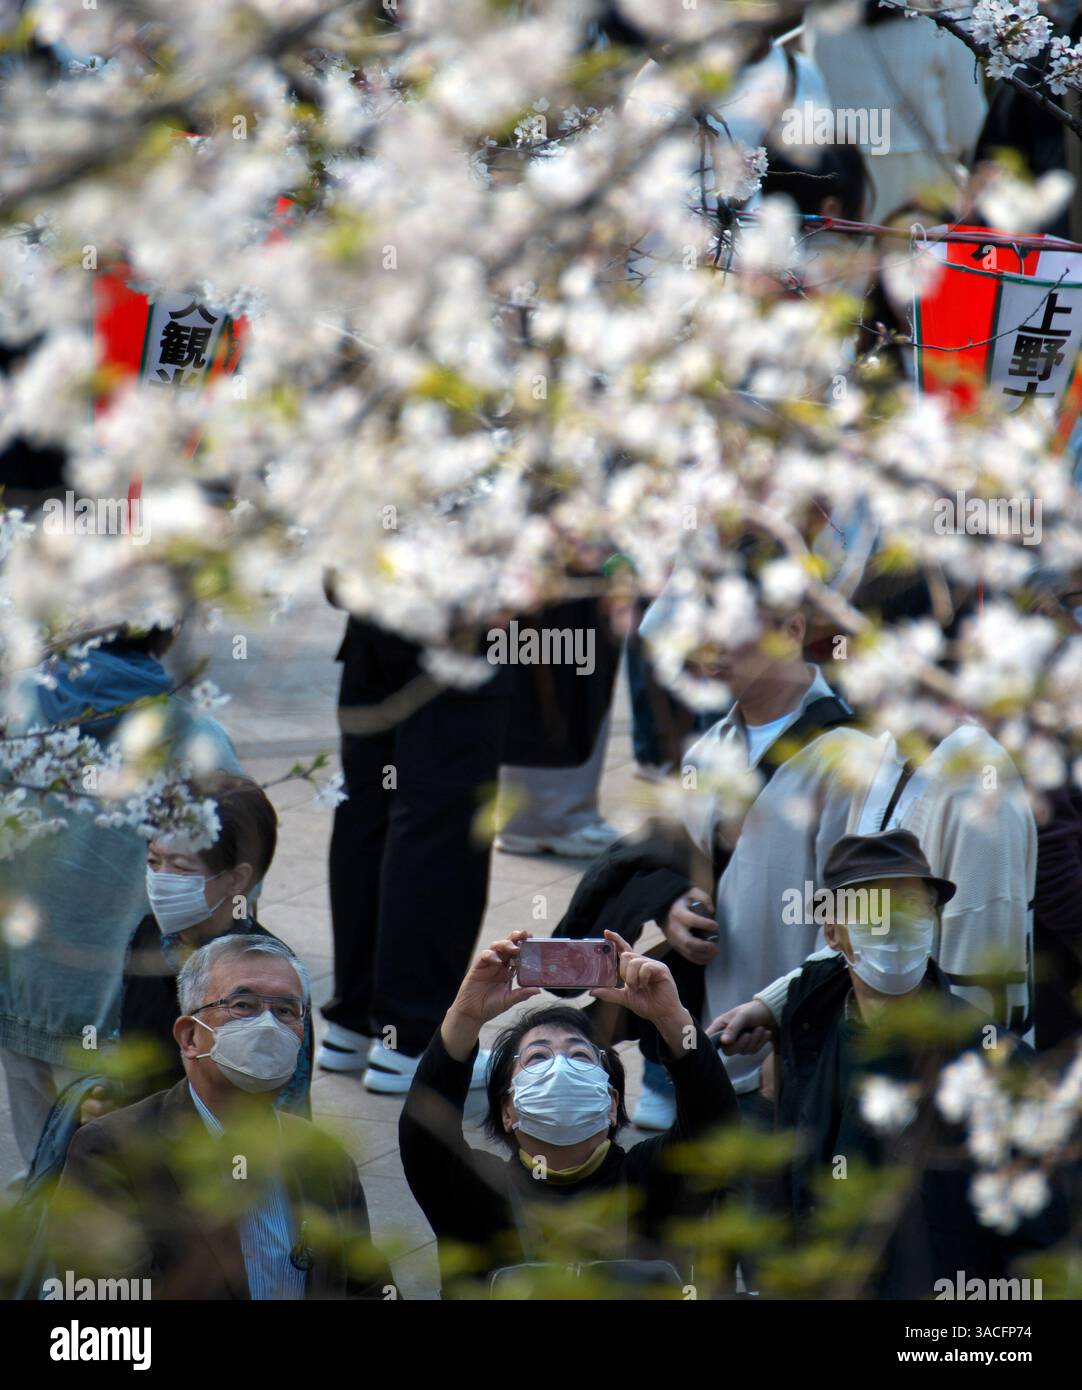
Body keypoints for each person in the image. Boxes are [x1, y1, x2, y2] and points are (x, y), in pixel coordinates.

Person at [712, 831, 1067, 1298]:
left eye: (911, 907)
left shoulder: (992, 1065)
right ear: (833, 933)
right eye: (871, 910)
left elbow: (1043, 1245)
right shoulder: (813, 1028)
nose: (894, 924)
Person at [0, 624, 241, 1172]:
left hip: (21, 991)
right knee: (117, 1187)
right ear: (169, 627)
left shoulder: (17, 720)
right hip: (128, 1010)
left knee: (45, 1167)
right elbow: (232, 873)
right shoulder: (195, 737)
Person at [399, 928, 737, 1298]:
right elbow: (423, 1135)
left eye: (579, 1056)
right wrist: (464, 1015)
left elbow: (716, 1128)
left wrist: (671, 1016)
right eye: (538, 1058)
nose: (559, 1067)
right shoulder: (477, 1191)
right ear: (508, 1110)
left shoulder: (654, 1180)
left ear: (611, 1103)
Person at [52, 935, 392, 1299]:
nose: (268, 1026)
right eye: (243, 1004)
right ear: (190, 1037)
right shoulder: (115, 1151)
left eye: (286, 1011)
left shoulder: (325, 1158)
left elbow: (369, 1288)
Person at [317, 610, 510, 1091]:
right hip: (450, 613)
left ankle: (356, 1022)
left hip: (373, 598)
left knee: (369, 809)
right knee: (439, 820)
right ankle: (410, 1037)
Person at [80, 771, 312, 1124]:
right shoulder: (149, 934)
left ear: (236, 878)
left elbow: (282, 1108)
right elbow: (122, 1035)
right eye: (154, 861)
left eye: (180, 866)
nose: (160, 879)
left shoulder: (267, 975)